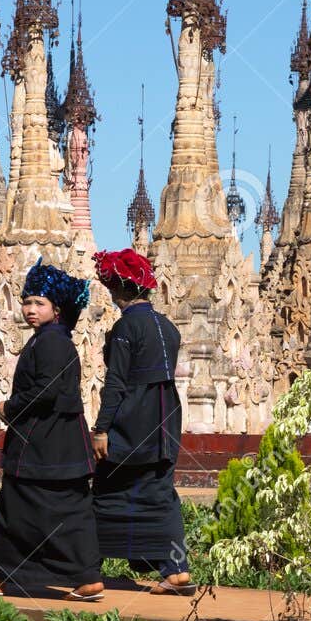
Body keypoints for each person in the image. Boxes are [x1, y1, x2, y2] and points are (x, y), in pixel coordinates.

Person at [0, 261, 104, 602]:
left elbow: (47, 390)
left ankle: (1, 579)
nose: (29, 310)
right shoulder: (53, 339)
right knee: (70, 511)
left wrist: (9, 408)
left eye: (39, 304)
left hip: (42, 444)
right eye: (26, 302)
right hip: (61, 445)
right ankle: (87, 578)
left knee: (14, 508)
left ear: (57, 310)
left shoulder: (52, 342)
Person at [89, 249, 191, 595]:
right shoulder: (169, 327)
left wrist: (101, 429)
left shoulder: (125, 327)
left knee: (105, 489)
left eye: (111, 287)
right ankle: (176, 569)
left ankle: (87, 566)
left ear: (119, 288)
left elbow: (116, 383)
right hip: (165, 421)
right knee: (160, 493)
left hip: (132, 421)